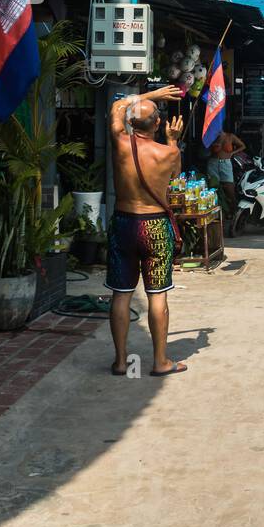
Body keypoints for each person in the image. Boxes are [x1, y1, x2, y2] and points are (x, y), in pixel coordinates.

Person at [106, 85, 187, 378]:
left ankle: (120, 360)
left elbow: (115, 108)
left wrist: (151, 95)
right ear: (157, 124)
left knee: (122, 293)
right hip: (154, 226)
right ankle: (160, 361)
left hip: (124, 222)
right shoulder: (167, 153)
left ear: (131, 123)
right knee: (157, 295)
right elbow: (176, 175)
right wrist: (172, 140)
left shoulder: (120, 142)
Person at [206, 124, 246, 218]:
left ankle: (235, 213)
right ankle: (219, 214)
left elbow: (242, 146)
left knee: (229, 188)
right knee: (214, 188)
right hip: (213, 163)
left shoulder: (230, 136)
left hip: (226, 163)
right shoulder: (212, 137)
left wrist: (232, 153)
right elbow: (205, 150)